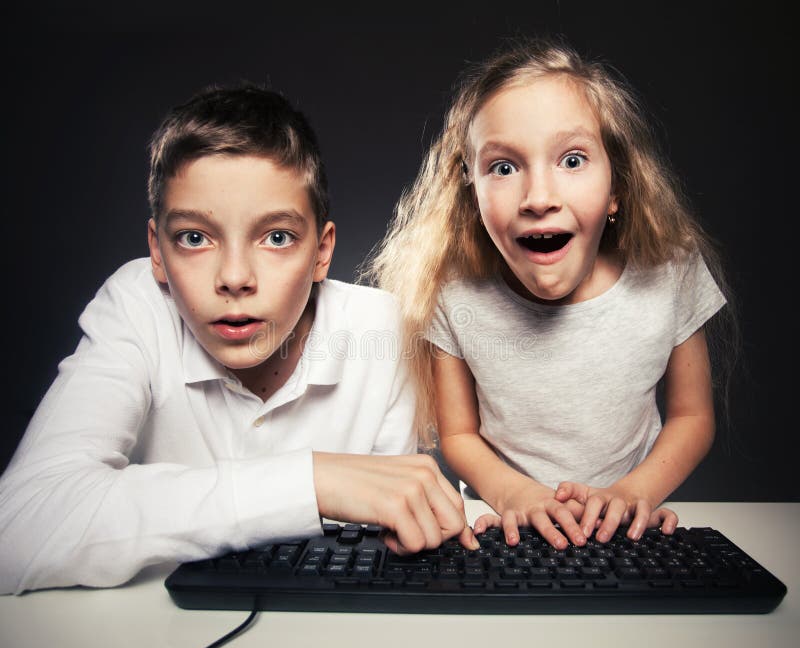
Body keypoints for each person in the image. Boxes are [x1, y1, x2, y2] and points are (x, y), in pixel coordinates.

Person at [0, 84, 477, 595]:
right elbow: (16, 532)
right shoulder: (137, 305)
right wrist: (311, 482)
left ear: (322, 251)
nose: (234, 278)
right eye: (194, 238)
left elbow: (387, 550)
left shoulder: (380, 330)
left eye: (276, 237)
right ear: (156, 252)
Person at [365, 37, 736, 551]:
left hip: (630, 527)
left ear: (617, 187)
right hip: (505, 525)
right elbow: (459, 434)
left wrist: (633, 494)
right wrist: (516, 494)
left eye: (573, 160)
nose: (539, 198)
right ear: (470, 192)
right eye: (504, 167)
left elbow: (693, 417)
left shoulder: (670, 271)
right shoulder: (453, 293)